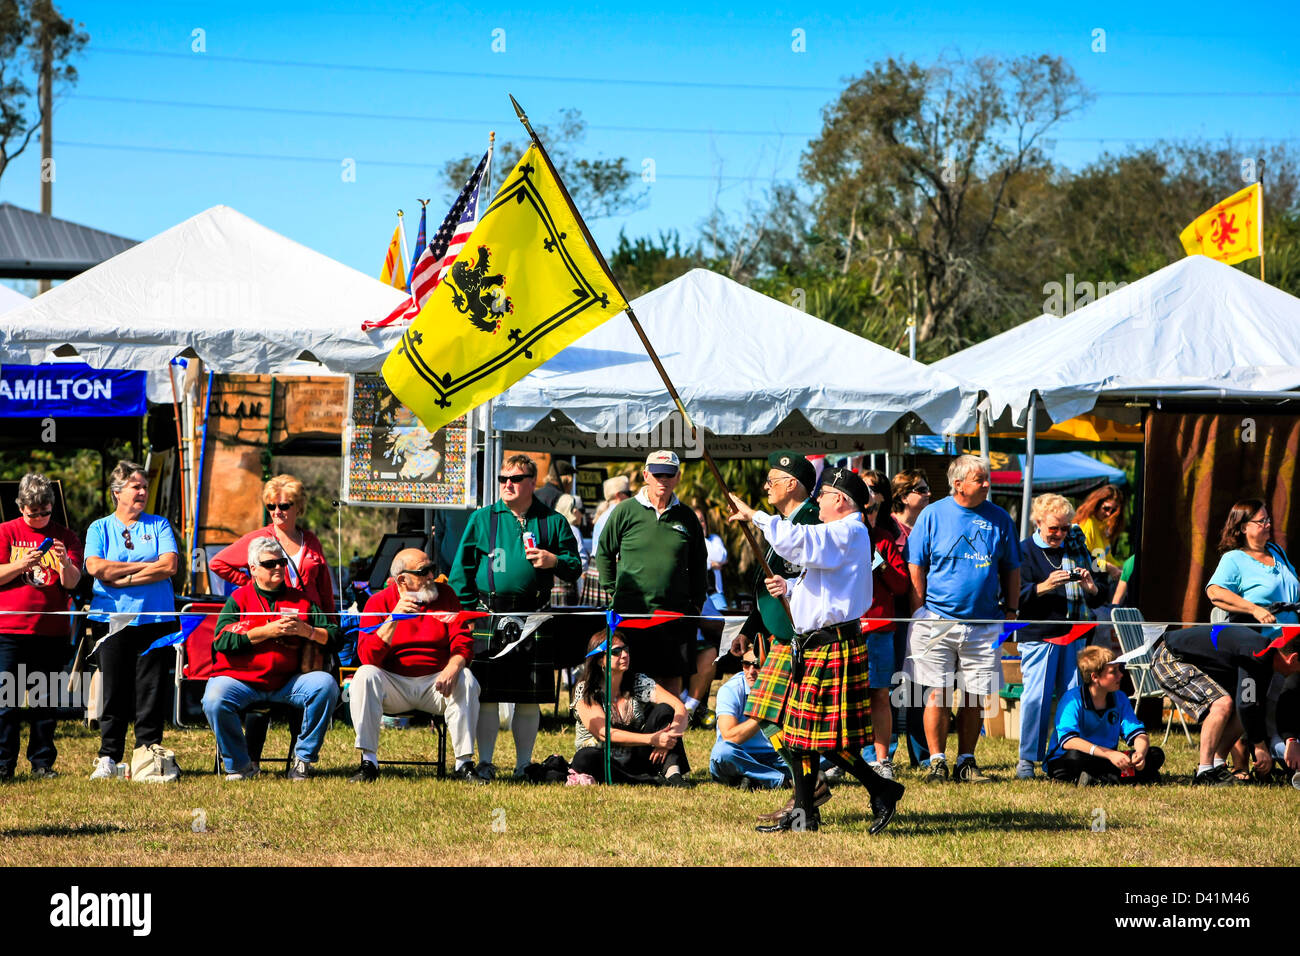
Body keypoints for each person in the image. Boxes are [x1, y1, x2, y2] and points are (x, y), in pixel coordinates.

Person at [729, 467, 904, 835]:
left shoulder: (848, 530)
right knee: (798, 734)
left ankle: (880, 788)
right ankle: (807, 814)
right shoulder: (843, 533)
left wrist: (755, 516)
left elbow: (798, 542)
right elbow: (825, 584)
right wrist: (790, 587)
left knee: (814, 737)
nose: (818, 500)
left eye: (822, 494)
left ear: (840, 500)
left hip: (832, 644)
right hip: (817, 643)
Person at [451, 453, 581, 779]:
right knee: (488, 695)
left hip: (533, 615)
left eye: (515, 479)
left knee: (528, 696)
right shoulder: (483, 519)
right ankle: (485, 762)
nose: (507, 485)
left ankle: (523, 764)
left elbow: (574, 567)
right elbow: (461, 570)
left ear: (531, 483)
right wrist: (467, 612)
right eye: (502, 479)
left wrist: (554, 561)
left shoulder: (552, 521)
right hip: (488, 613)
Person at [905, 454, 1020, 784]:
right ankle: (937, 761)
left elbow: (1012, 568)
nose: (987, 483)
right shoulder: (933, 515)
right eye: (980, 479)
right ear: (958, 484)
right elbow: (917, 564)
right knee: (937, 693)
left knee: (974, 695)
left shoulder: (1000, 518)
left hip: (984, 624)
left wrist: (1011, 612)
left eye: (987, 478)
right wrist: (918, 610)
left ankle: (966, 761)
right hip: (937, 620)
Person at [210, 474, 337, 760]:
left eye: (284, 505)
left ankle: (299, 760)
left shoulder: (311, 540)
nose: (277, 511)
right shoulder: (259, 539)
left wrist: (327, 623)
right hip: (266, 628)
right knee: (262, 685)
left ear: (298, 507)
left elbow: (324, 587)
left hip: (308, 626)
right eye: (271, 506)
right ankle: (249, 758)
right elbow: (218, 563)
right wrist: (253, 586)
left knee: (306, 688)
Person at [202, 537, 341, 780]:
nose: (278, 567)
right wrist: (265, 632)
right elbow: (221, 641)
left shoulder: (301, 601)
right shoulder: (239, 600)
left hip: (288, 682)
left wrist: (306, 631)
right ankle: (239, 765)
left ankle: (303, 760)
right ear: (253, 569)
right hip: (241, 681)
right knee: (214, 699)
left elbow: (336, 636)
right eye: (270, 564)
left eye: (281, 562)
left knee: (325, 685)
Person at [84, 461, 181, 782]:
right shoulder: (99, 528)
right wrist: (143, 568)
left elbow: (168, 566)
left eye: (144, 487)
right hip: (112, 618)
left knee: (151, 690)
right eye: (136, 487)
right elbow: (98, 569)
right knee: (114, 689)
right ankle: (109, 756)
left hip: (155, 618)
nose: (142, 492)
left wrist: (123, 577)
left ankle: (147, 754)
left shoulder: (160, 525)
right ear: (117, 493)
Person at [350, 547, 481, 782]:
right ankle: (368, 761)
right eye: (423, 572)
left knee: (467, 679)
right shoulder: (378, 602)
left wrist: (453, 667)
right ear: (402, 579)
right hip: (394, 683)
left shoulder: (445, 595)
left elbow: (463, 640)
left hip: (437, 682)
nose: (432, 576)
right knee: (364, 675)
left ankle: (464, 763)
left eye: (432, 568)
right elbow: (367, 657)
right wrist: (393, 620)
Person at [596, 450, 707, 697]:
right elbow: (603, 552)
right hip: (631, 612)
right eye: (657, 475)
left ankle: (669, 731)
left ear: (677, 477)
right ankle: (633, 732)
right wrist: (613, 591)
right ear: (646, 475)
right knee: (629, 676)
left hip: (675, 613)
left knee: (672, 677)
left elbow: (700, 562)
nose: (662, 480)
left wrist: (697, 603)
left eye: (668, 475)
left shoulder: (687, 517)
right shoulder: (625, 511)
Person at [1015, 493, 1109, 779]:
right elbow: (1013, 596)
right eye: (1053, 528)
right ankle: (1027, 761)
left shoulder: (1082, 546)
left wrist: (1091, 585)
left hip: (1076, 633)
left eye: (1066, 527)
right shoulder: (1023, 551)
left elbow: (1101, 590)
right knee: (1036, 699)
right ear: (1038, 522)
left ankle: (1063, 758)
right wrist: (1043, 586)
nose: (1060, 534)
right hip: (1039, 634)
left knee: (1072, 699)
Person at [0, 474, 82, 781]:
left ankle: (42, 762)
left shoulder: (66, 537)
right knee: (5, 701)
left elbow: (72, 583)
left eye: (45, 512)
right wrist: (23, 564)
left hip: (51, 631)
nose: (39, 518)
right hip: (9, 629)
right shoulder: (6, 532)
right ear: (20, 507)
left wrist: (64, 562)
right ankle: (3, 764)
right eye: (32, 513)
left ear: (51, 507)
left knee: (45, 701)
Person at [1153, 624, 1300, 785]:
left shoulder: (1265, 657)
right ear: (1292, 658)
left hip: (1192, 661)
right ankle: (1205, 772)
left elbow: (1250, 706)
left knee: (1241, 712)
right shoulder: (1255, 654)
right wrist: (1259, 746)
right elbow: (1246, 705)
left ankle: (1217, 764)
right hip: (1169, 658)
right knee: (1222, 705)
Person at [570, 631, 689, 785]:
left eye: (626, 649)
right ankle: (641, 781)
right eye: (616, 652)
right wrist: (652, 739)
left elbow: (679, 707)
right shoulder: (586, 690)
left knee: (665, 710)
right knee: (584, 757)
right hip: (604, 759)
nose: (625, 654)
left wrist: (669, 738)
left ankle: (674, 774)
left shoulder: (637, 681)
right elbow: (604, 734)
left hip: (635, 756)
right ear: (600, 660)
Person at [1045, 646, 1164, 786]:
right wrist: (1109, 754)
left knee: (1156, 754)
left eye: (1120, 669)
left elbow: (1138, 733)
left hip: (1106, 758)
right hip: (1071, 759)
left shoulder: (1120, 697)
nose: (1121, 675)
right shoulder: (1072, 699)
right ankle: (1132, 776)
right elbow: (1069, 741)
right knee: (1075, 756)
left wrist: (1140, 754)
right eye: (1113, 672)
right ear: (1095, 677)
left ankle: (1098, 778)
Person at [859, 470, 911, 778]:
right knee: (848, 696)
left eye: (875, 507)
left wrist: (878, 561)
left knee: (879, 693)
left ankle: (882, 759)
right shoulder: (838, 535)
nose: (870, 514)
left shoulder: (884, 540)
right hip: (847, 628)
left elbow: (901, 585)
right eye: (865, 508)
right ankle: (849, 757)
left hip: (879, 629)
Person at [1206, 498, 1299, 632]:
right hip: (1261, 645)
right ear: (1244, 527)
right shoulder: (1234, 559)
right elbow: (1215, 593)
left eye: (1268, 520)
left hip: (1292, 642)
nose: (1267, 525)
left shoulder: (1277, 551)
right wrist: (1254, 609)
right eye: (1261, 521)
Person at [710, 646, 791, 789]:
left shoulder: (786, 685)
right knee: (722, 752)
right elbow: (730, 737)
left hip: (778, 755)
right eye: (746, 664)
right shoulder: (730, 690)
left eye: (757, 665)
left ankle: (755, 778)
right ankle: (782, 780)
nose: (751, 671)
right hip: (741, 755)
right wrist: (763, 713)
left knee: (823, 749)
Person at [1074, 484, 1125, 582]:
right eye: (1106, 508)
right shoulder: (1088, 524)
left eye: (1113, 510)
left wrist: (1122, 568)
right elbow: (1083, 559)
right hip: (1089, 582)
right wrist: (1108, 567)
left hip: (1100, 581)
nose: (1109, 513)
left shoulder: (1102, 526)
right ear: (1096, 504)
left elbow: (1107, 556)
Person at [550, 492, 588, 607]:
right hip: (567, 583)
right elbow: (582, 561)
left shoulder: (552, 525)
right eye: (578, 510)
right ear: (573, 510)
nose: (580, 514)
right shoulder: (573, 530)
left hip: (553, 584)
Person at [890, 468, 932, 550]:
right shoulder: (888, 525)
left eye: (927, 489)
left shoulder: (929, 524)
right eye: (922, 490)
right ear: (904, 497)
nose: (929, 494)